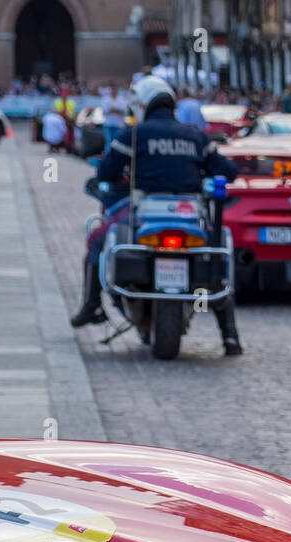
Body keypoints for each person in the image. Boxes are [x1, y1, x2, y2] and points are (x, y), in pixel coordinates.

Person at [69, 76, 242, 355]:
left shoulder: (134, 134)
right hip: (189, 212)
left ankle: (92, 305)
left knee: (96, 239)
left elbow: (105, 172)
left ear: (141, 105)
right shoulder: (194, 135)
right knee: (216, 254)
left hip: (146, 209)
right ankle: (230, 336)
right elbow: (228, 171)